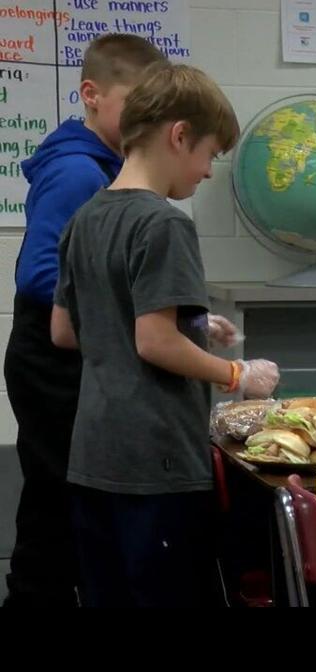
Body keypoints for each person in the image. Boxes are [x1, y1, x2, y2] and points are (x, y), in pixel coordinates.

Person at [50, 62, 279, 607]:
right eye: (209, 156)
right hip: (158, 466)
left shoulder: (86, 215)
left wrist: (193, 327)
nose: (205, 173)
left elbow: (64, 330)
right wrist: (237, 373)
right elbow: (152, 342)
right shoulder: (165, 222)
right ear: (179, 135)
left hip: (94, 459)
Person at [3, 34, 174, 608]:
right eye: (136, 103)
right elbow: (38, 276)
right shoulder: (79, 172)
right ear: (92, 96)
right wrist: (126, 316)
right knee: (57, 499)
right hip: (51, 358)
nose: (146, 118)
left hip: (72, 350)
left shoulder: (106, 164)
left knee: (65, 498)